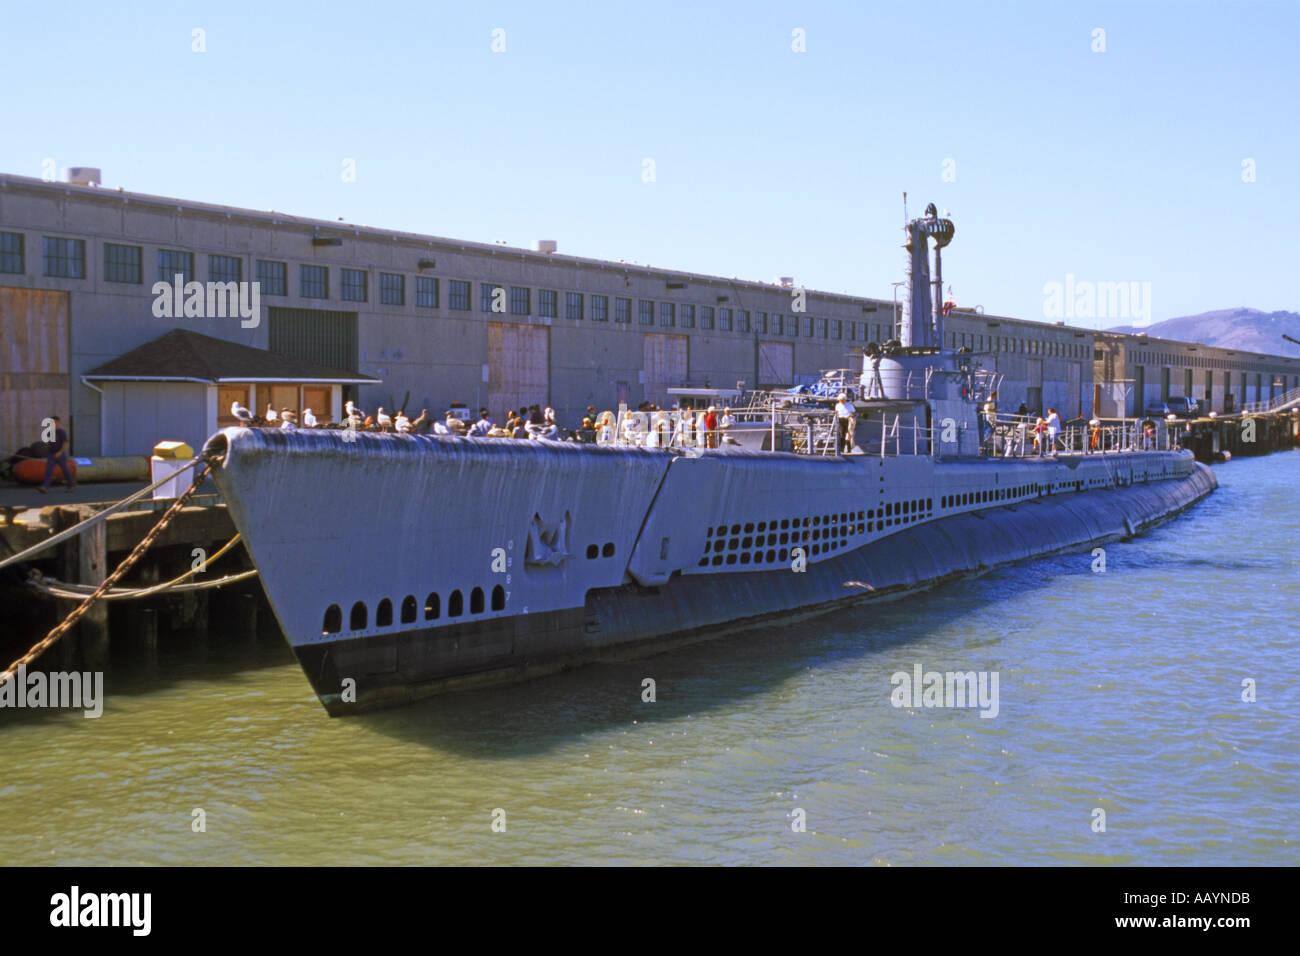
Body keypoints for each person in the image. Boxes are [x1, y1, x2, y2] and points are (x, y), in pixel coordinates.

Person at [39, 416, 76, 493]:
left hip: (60, 455)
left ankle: (71, 485)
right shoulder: (50, 432)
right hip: (52, 455)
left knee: (65, 470)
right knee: (49, 471)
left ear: (58, 423)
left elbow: (65, 443)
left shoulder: (61, 432)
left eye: (54, 422)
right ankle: (45, 487)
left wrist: (60, 452)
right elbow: (50, 443)